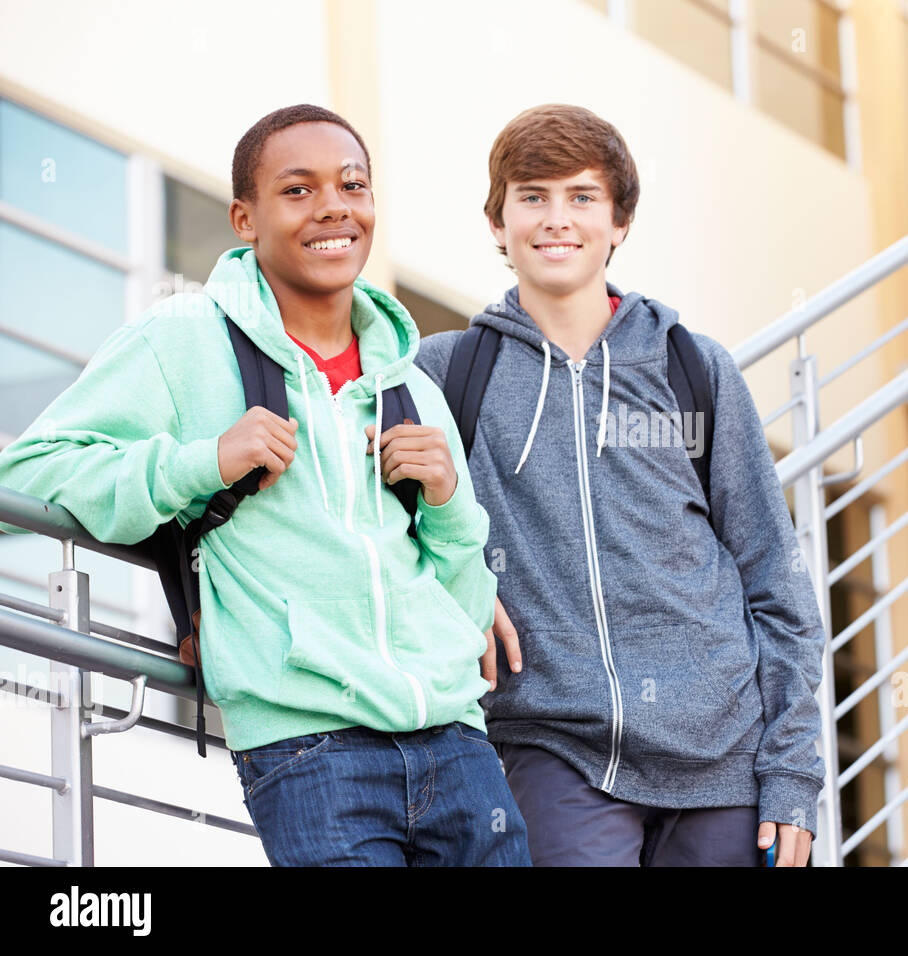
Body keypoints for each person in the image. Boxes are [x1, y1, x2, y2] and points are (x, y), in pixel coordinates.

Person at [0, 104, 529, 867]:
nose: (333, 208)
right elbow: (30, 471)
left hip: (459, 749)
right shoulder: (183, 338)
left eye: (352, 184)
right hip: (309, 751)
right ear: (245, 219)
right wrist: (201, 462)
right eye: (298, 190)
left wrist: (448, 507)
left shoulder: (411, 384)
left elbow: (466, 604)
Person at [417, 104, 826, 866]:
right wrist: (460, 584)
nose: (555, 220)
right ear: (497, 223)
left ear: (620, 221)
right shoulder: (450, 374)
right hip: (551, 744)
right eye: (531, 197)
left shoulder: (695, 370)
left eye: (581, 197)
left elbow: (776, 581)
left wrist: (793, 773)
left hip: (720, 758)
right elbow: (379, 524)